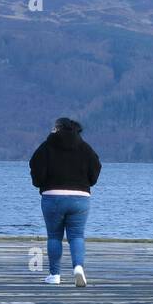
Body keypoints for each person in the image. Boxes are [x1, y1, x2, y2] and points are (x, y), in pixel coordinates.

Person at [29, 117, 101, 286]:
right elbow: (96, 167)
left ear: (57, 129)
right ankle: (78, 267)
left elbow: (35, 166)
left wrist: (39, 183)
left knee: (54, 237)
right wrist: (87, 182)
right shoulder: (85, 148)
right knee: (76, 236)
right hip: (80, 197)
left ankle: (54, 275)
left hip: (52, 196)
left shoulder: (46, 147)